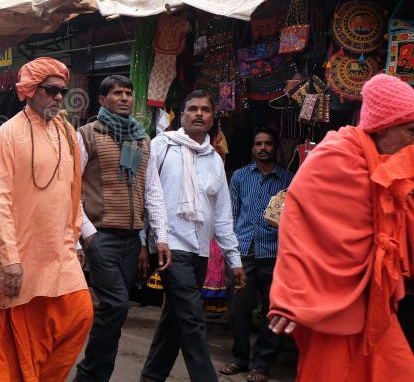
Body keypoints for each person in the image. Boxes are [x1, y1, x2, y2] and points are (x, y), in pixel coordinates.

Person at [269, 73, 414, 381]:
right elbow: (298, 229)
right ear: (383, 126)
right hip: (329, 305)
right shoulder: (335, 156)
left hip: (374, 305)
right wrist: (290, 296)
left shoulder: (392, 167)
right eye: (411, 131)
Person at [0, 57, 93, 382]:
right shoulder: (7, 135)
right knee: (18, 342)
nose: (58, 97)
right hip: (21, 255)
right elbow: (0, 200)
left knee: (80, 314)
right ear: (30, 90)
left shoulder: (67, 133)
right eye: (51, 90)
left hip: (60, 253)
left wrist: (75, 240)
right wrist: (9, 260)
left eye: (62, 91)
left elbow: (72, 194)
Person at [141, 90, 246, 382]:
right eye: (193, 109)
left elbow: (222, 212)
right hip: (169, 246)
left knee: (175, 319)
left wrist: (233, 259)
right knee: (192, 317)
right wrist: (157, 237)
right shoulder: (162, 146)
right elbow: (152, 194)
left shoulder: (214, 158)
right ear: (182, 115)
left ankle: (151, 376)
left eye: (206, 110)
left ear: (213, 118)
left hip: (200, 249)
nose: (199, 114)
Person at [74, 74, 170, 381]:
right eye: (118, 93)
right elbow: (71, 189)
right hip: (101, 236)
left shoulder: (141, 138)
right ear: (102, 100)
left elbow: (151, 190)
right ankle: (90, 375)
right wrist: (87, 237)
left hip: (131, 240)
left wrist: (160, 237)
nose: (126, 98)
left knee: (117, 311)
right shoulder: (86, 135)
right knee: (114, 304)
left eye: (129, 92)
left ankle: (94, 375)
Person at [219, 127, 293, 382]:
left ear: (275, 147)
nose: (263, 148)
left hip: (274, 254)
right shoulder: (239, 177)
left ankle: (261, 364)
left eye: (268, 144)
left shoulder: (288, 180)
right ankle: (240, 358)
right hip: (243, 253)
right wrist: (231, 248)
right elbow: (232, 213)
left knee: (273, 311)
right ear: (252, 148)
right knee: (239, 310)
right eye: (258, 144)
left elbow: (293, 219)